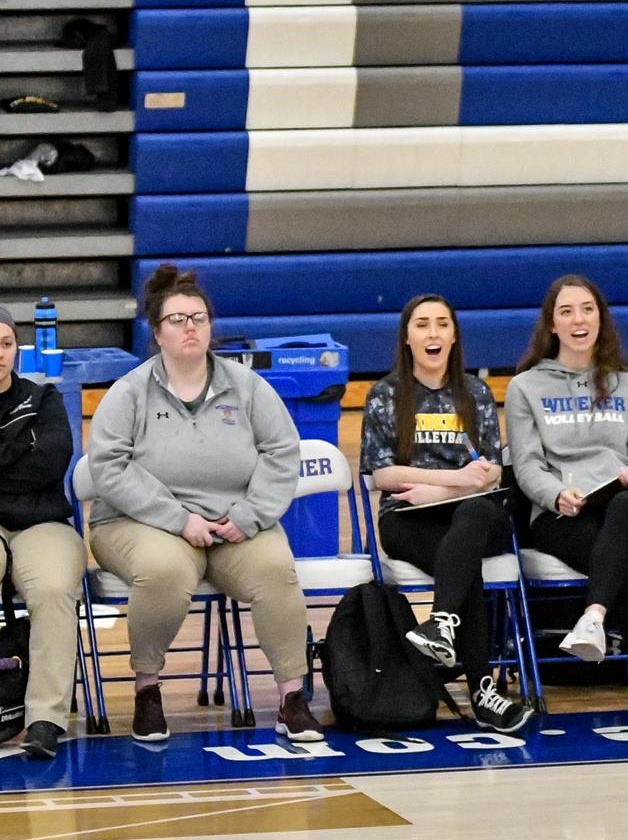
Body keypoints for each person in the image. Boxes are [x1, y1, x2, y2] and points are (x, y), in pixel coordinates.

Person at [87, 265, 322, 743]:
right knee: (166, 570)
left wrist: (248, 516)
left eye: (198, 317)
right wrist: (178, 519)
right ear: (156, 332)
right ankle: (147, 691)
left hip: (233, 523)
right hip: (142, 523)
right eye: (177, 319)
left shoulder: (248, 386)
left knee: (277, 569)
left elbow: (282, 452)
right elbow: (109, 467)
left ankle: (292, 698)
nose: (190, 327)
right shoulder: (129, 391)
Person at [506, 276, 628, 730]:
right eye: (566, 311)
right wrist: (555, 495)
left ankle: (593, 616)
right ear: (552, 324)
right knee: (623, 563)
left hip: (623, 502)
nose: (578, 319)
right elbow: (525, 467)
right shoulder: (525, 387)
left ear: (601, 319)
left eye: (587, 309)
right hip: (563, 514)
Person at [361, 294, 531, 733]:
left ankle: (441, 624)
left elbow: (491, 471)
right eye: (422, 324)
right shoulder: (385, 394)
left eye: (441, 324)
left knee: (471, 521)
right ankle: (483, 694)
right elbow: (383, 476)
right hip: (408, 518)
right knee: (463, 560)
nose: (432, 333)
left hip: (469, 513)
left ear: (454, 337)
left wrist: (440, 487)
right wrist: (457, 481)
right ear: (407, 338)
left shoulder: (474, 392)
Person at [0, 309, 86, 759]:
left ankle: (45, 718)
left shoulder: (43, 399)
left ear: (16, 349)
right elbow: (31, 461)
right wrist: (18, 451)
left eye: (6, 344)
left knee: (54, 589)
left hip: (42, 523)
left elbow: (52, 462)